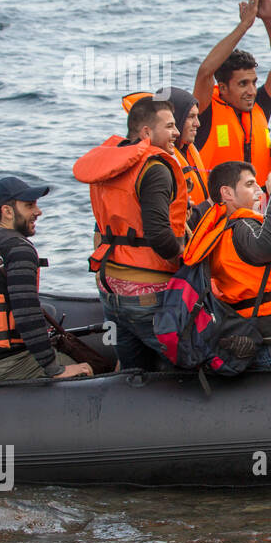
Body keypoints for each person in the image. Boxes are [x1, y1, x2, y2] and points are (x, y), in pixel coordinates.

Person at [73, 98, 187, 370]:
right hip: (147, 292)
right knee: (185, 363)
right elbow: (159, 234)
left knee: (133, 369)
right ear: (147, 133)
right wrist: (186, 259)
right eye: (170, 126)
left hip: (110, 285)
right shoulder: (155, 169)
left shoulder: (109, 164)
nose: (177, 133)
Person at [0, 178, 94, 381]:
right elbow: (27, 315)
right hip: (7, 365)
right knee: (85, 371)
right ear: (7, 211)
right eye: (29, 206)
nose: (38, 211)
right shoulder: (18, 249)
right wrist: (56, 370)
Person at [184, 161, 271, 369]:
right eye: (249, 184)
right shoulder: (243, 226)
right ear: (227, 193)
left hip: (260, 337)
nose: (258, 189)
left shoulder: (222, 231)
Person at [193, 0, 271, 182]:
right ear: (222, 88)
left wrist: (269, 19)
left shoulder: (260, 106)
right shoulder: (204, 111)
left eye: (254, 82)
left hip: (257, 205)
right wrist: (244, 25)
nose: (252, 91)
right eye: (242, 84)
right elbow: (205, 72)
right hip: (219, 209)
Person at [121, 87, 210, 212]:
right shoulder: (153, 167)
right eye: (191, 116)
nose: (198, 123)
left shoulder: (187, 149)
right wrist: (209, 204)